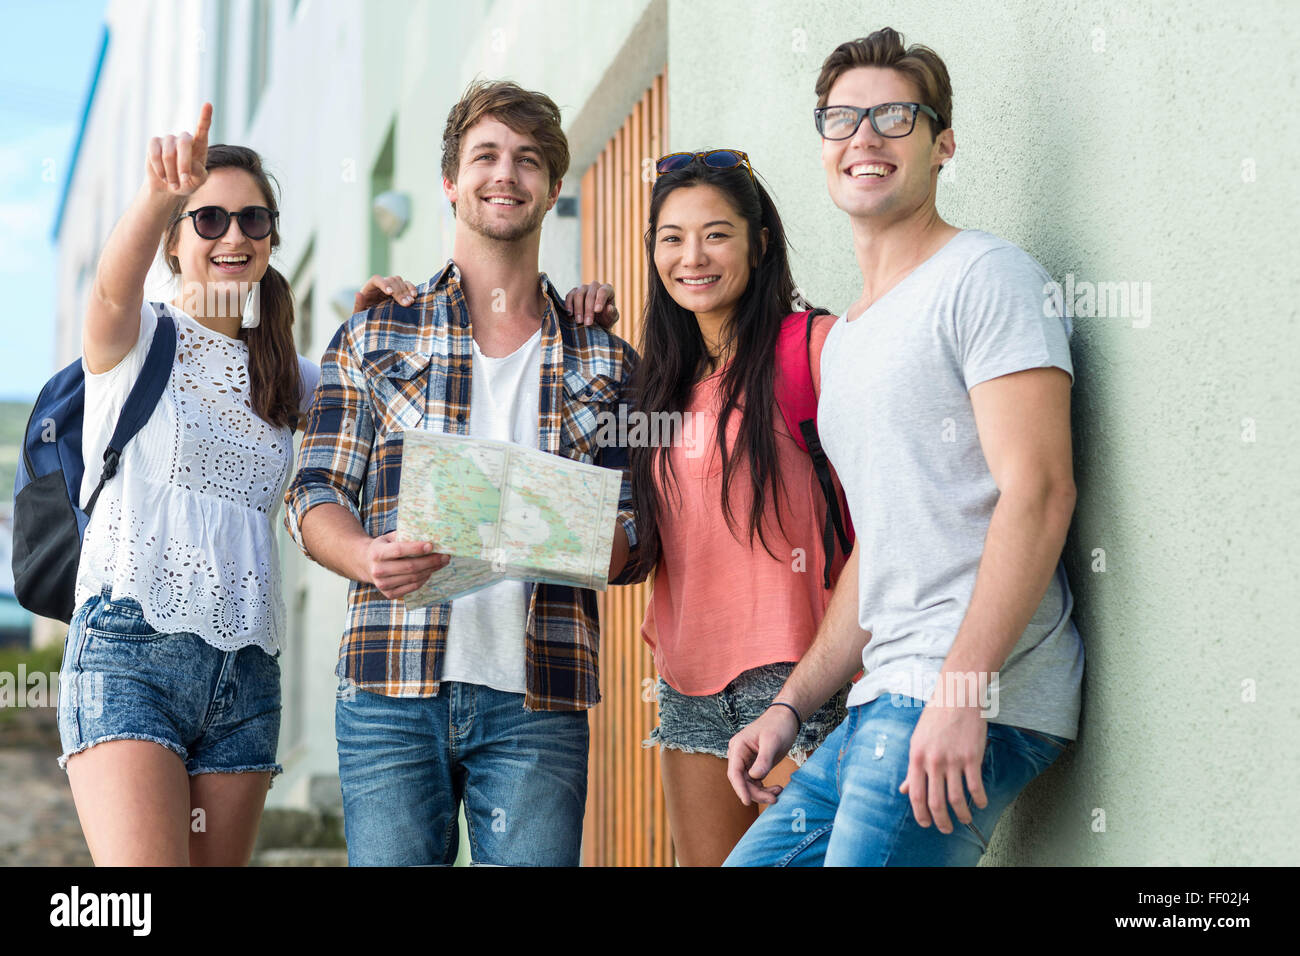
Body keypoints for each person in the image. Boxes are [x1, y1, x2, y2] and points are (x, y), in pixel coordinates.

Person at [723, 27, 1084, 867]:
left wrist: (961, 691)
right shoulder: (847, 339)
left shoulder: (986, 277)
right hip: (882, 696)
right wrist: (789, 707)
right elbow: (881, 554)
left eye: (893, 116)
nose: (864, 138)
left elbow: (1040, 492)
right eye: (842, 119)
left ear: (942, 141)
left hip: (972, 692)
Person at [283, 79, 642, 867]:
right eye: (485, 155)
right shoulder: (375, 332)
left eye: (527, 159)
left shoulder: (607, 360)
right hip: (388, 691)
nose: (504, 173)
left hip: (537, 702)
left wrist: (595, 532)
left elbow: (637, 535)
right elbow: (313, 492)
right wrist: (366, 558)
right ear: (451, 182)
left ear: (552, 187)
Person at [57, 103, 321, 865]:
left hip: (248, 674)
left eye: (252, 220)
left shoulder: (288, 376)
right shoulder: (139, 340)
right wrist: (156, 194)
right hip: (128, 655)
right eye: (206, 220)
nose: (232, 236)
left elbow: (381, 396)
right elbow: (109, 292)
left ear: (270, 240)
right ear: (175, 239)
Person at [630, 150, 852, 866]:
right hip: (688, 687)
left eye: (716, 233)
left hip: (804, 686)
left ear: (759, 244)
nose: (692, 256)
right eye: (672, 236)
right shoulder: (659, 384)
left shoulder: (812, 348)